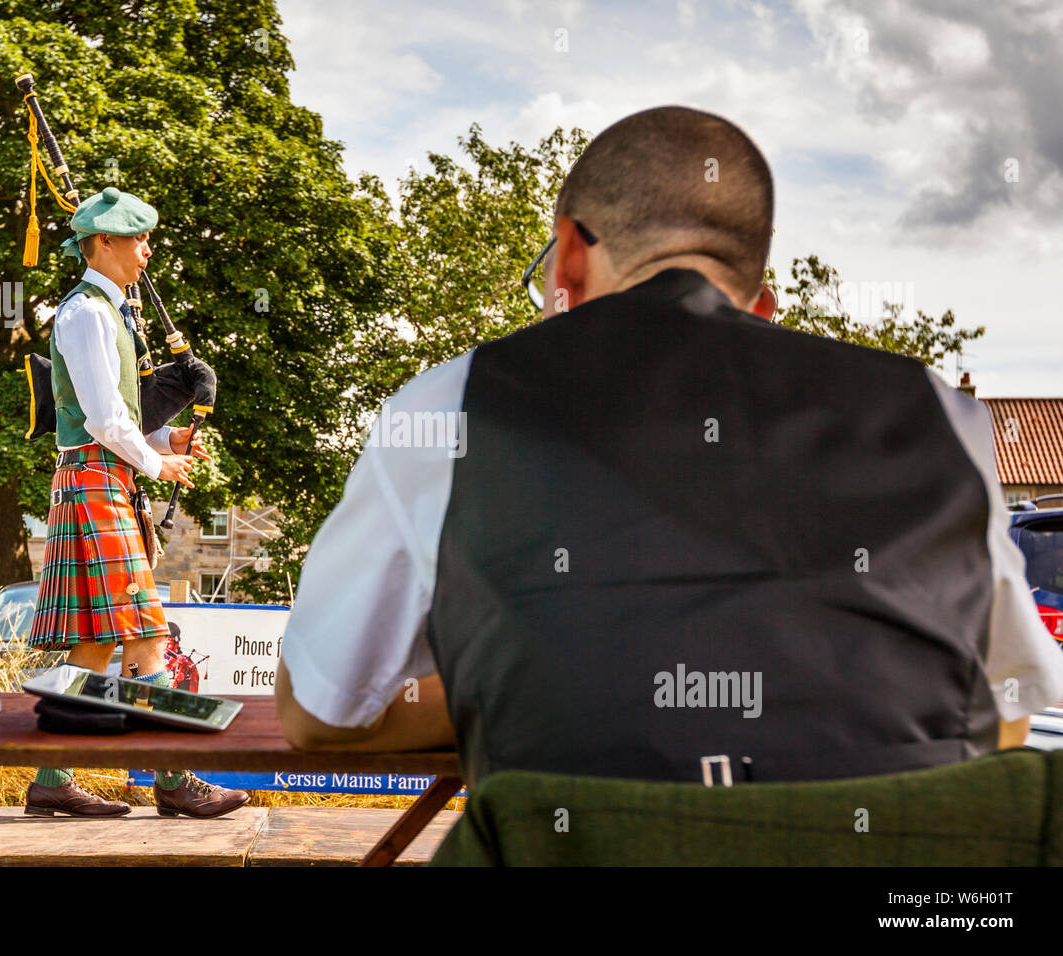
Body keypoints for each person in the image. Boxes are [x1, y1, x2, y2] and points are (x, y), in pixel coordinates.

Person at [274, 106, 1063, 788]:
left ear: (570, 257)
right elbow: (1005, 712)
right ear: (764, 305)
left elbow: (321, 713)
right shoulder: (939, 414)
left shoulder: (453, 405)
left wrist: (534, 687)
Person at [26, 187, 249, 818]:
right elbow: (101, 419)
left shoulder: (111, 311)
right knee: (147, 637)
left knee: (97, 643)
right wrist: (159, 462)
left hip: (99, 479)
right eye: (138, 239)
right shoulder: (87, 314)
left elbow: (118, 417)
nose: (147, 251)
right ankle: (177, 780)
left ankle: (48, 779)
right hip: (96, 480)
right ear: (103, 243)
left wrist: (163, 437)